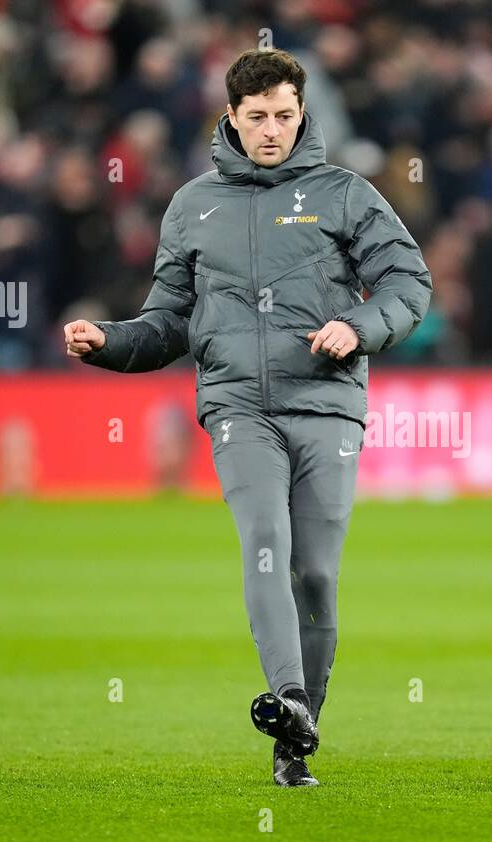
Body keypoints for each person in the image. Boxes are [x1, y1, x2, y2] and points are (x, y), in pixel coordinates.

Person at [64, 48, 432, 786]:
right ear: (230, 116)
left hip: (327, 405)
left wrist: (359, 327)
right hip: (237, 407)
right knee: (265, 539)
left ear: (303, 113)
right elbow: (166, 323)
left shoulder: (345, 194)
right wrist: (110, 343)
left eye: (285, 116)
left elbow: (408, 283)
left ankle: (296, 741)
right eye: (257, 117)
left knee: (316, 575)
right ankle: (289, 696)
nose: (272, 130)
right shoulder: (193, 205)